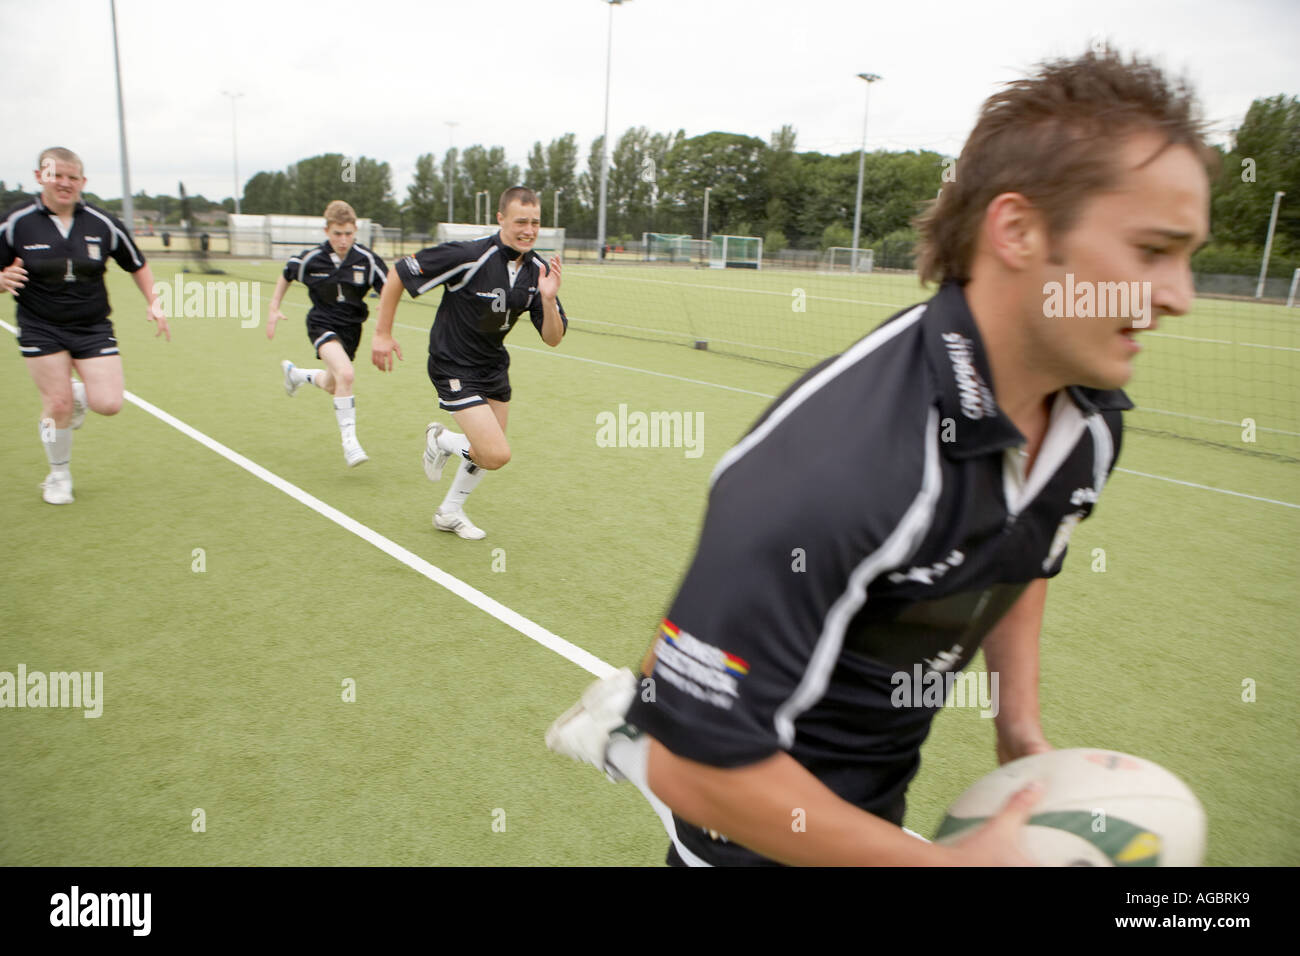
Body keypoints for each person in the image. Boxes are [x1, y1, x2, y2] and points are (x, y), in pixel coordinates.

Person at [546, 46, 1213, 865]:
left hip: (874, 790)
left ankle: (646, 702)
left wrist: (1019, 727)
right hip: (746, 819)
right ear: (1017, 230)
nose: (1180, 294)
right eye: (1152, 251)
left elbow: (1024, 554)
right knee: (685, 740)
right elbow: (702, 773)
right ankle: (633, 730)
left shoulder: (1090, 418)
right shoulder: (835, 466)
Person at [371, 186, 565, 539]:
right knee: (495, 454)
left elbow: (553, 337)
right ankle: (442, 441)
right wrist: (382, 333)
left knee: (484, 453)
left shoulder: (538, 271)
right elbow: (400, 272)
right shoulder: (469, 254)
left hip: (493, 366)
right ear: (501, 218)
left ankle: (449, 511)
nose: (529, 230)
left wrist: (548, 300)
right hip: (453, 363)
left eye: (535, 223)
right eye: (521, 221)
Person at [0, 146, 169, 505]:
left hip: (92, 325)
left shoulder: (102, 223)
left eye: (71, 177)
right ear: (39, 177)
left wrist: (154, 303)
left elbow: (137, 264)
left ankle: (79, 394)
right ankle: (57, 474)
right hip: (40, 324)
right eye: (55, 175)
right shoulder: (16, 222)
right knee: (55, 404)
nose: (64, 183)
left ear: (83, 182)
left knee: (108, 403)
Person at [267, 200, 387, 467]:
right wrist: (274, 306)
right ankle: (350, 443)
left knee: (335, 384)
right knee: (346, 374)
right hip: (322, 324)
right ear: (326, 231)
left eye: (348, 234)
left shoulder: (366, 260)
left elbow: (389, 286)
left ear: (355, 230)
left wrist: (385, 307)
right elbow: (287, 274)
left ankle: (296, 375)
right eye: (337, 234)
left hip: (352, 330)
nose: (343, 240)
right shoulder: (312, 259)